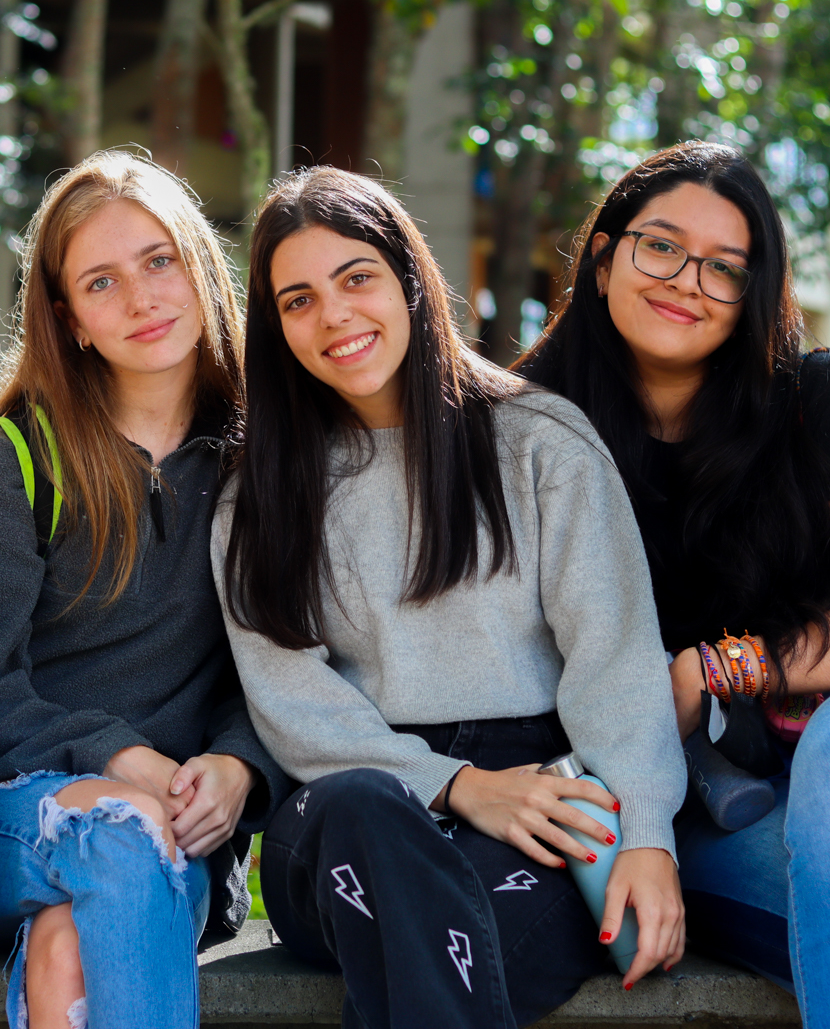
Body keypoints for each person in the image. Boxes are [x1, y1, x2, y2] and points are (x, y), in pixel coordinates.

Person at [515, 141, 830, 1028]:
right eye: (660, 247)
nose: (687, 282)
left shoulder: (814, 396)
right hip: (704, 806)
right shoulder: (521, 428)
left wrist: (713, 671)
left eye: (725, 269)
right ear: (603, 259)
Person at [213, 165, 687, 1029]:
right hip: (343, 815)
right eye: (298, 300)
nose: (335, 317)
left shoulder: (540, 443)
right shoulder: (263, 489)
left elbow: (614, 655)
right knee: (369, 811)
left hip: (542, 807)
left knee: (440, 950)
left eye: (356, 278)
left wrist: (648, 835)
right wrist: (456, 784)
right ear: (275, 327)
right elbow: (291, 700)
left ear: (409, 280)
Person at [0, 151, 288, 1029]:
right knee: (120, 832)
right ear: (69, 321)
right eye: (102, 282)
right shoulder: (19, 462)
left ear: (199, 266)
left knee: (70, 944)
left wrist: (238, 763)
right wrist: (120, 758)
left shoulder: (266, 460)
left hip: (189, 834)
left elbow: (293, 665)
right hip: (10, 820)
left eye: (158, 261)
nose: (141, 298)